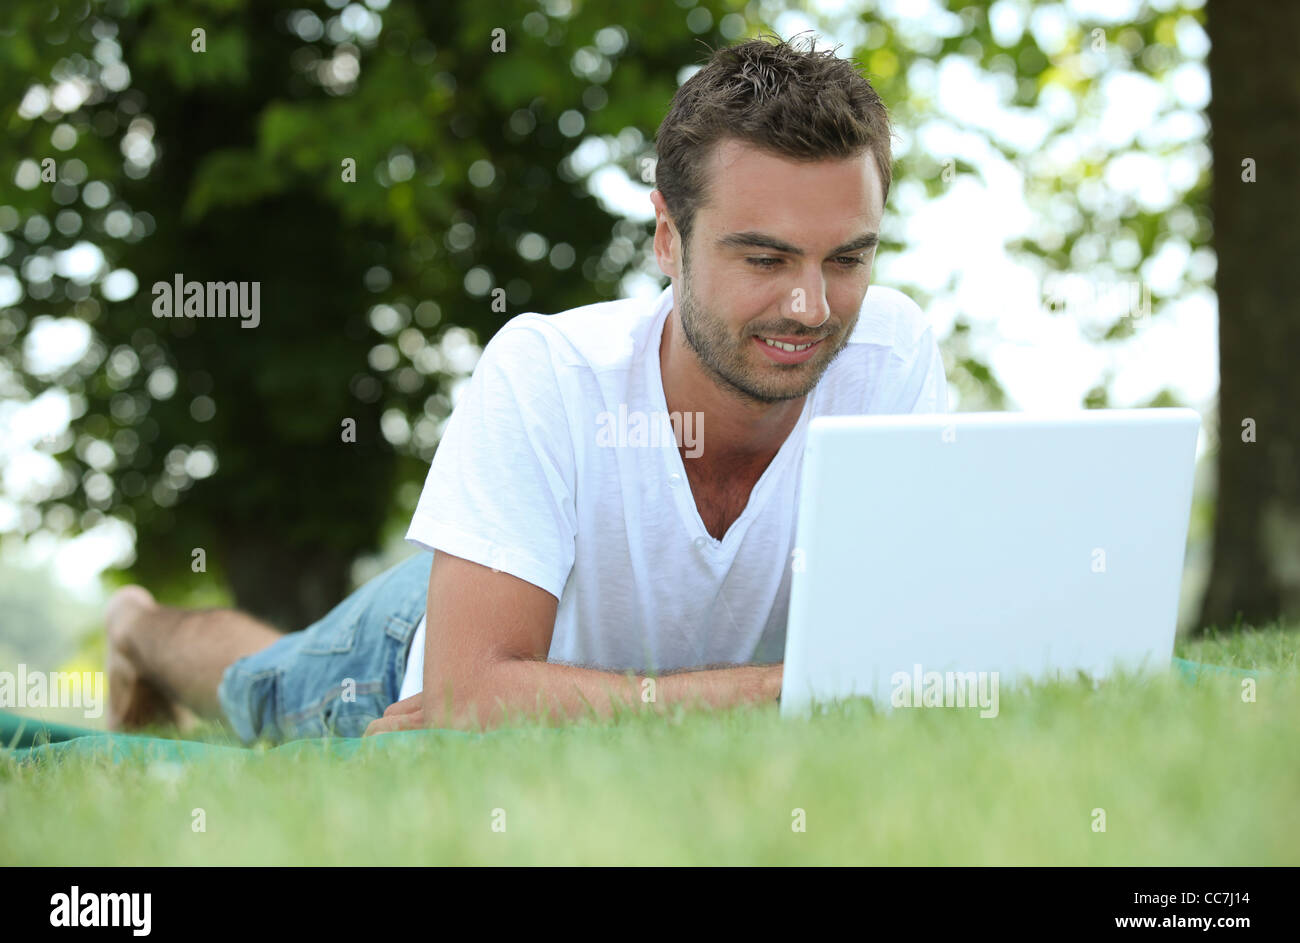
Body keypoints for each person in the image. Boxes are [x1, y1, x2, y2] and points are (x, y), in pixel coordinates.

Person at [104, 32, 948, 743]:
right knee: (264, 687)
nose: (808, 306)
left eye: (847, 259)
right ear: (668, 239)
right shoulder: (549, 371)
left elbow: (915, 656)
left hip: (529, 606)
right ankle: (138, 629)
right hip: (451, 614)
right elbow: (468, 699)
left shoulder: (893, 355)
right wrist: (789, 688)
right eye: (764, 258)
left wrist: (551, 699)